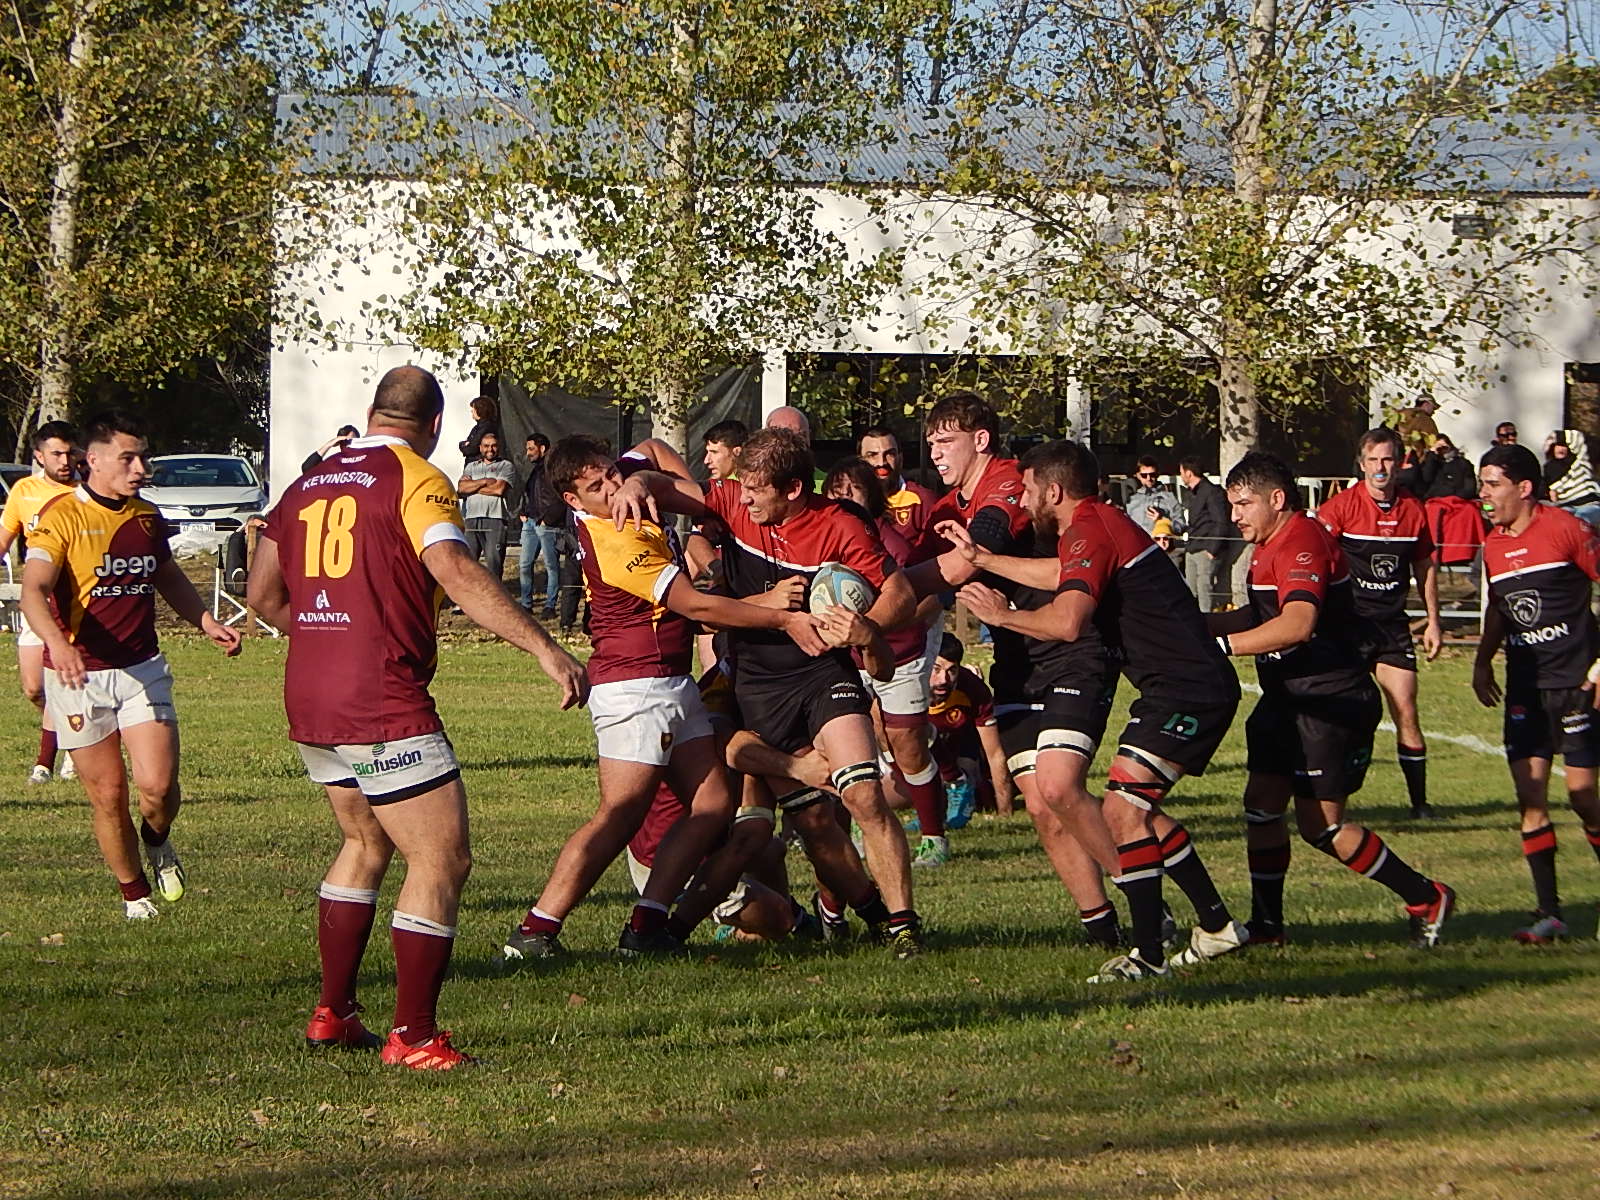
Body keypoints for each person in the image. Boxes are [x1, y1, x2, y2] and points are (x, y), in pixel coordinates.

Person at [247, 365, 587, 1070]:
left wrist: (323, 637)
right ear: (435, 426)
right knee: (441, 857)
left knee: (366, 844)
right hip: (380, 698)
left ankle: (333, 1013)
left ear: (372, 413)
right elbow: (454, 569)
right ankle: (414, 1036)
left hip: (311, 693)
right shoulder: (417, 477)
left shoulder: (309, 480)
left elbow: (261, 592)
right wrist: (544, 646)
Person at [503, 434, 828, 958]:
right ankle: (537, 930)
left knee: (715, 801)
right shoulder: (613, 540)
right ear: (572, 501)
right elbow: (696, 608)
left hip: (670, 681)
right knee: (620, 813)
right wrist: (780, 616)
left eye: (611, 475)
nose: (611, 489)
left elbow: (652, 447)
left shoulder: (622, 487)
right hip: (636, 687)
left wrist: (659, 485)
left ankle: (646, 924)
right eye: (596, 486)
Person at [610, 426, 927, 954]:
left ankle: (905, 926)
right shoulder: (734, 498)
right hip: (758, 683)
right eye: (744, 486)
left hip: (823, 673)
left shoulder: (840, 524)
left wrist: (866, 626)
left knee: (864, 794)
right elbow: (667, 486)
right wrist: (638, 482)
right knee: (815, 821)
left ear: (795, 490)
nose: (746, 497)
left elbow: (899, 591)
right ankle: (872, 917)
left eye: (758, 489)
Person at [947, 439, 1248, 980]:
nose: (1025, 497)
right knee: (1135, 810)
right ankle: (1216, 926)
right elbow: (1060, 575)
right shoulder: (1095, 524)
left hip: (1190, 689)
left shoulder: (1092, 527)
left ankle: (1149, 954)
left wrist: (1004, 614)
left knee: (1124, 811)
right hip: (1170, 688)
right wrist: (985, 559)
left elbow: (1066, 622)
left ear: (1054, 489)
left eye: (1031, 488)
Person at [906, 396, 1126, 952]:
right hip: (1016, 659)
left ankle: (1149, 901)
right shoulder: (946, 505)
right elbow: (928, 588)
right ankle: (1101, 927)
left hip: (1070, 646)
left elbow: (969, 557)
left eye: (945, 441)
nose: (933, 453)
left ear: (980, 441)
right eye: (929, 442)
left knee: (1060, 788)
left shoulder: (1007, 482)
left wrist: (884, 598)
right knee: (1040, 805)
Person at [1214, 451, 1454, 951]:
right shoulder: (1265, 545)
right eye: (1231, 504)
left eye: (1243, 504)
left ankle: (1426, 895)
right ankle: (1267, 926)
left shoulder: (1303, 540)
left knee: (1321, 826)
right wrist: (1190, 627)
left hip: (1330, 700)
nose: (1235, 515)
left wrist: (1220, 648)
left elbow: (1297, 625)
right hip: (1287, 697)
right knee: (1260, 806)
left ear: (1277, 500)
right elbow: (1255, 616)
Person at [20, 410, 243, 921]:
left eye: (142, 456)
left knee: (158, 789)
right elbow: (33, 591)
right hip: (78, 676)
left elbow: (167, 575)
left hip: (143, 668)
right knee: (109, 794)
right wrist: (60, 644)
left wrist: (205, 620)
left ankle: (158, 839)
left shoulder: (145, 516)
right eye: (128, 457)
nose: (140, 468)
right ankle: (134, 894)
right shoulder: (61, 517)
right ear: (92, 460)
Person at [1472, 443, 1600, 944]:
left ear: (1524, 489)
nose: (1483, 494)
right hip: (1527, 687)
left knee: (1584, 797)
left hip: (1574, 686)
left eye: (1492, 484)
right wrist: (1483, 660)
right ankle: (1550, 915)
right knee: (1531, 799)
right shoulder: (1494, 544)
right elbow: (1501, 607)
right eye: (1482, 484)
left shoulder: (1568, 529)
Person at [823, 457, 950, 865]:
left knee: (908, 748)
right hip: (847, 663)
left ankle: (934, 836)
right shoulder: (823, 540)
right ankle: (863, 828)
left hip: (900, 656)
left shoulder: (892, 545)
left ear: (872, 498)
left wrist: (880, 626)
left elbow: (928, 599)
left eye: (851, 491)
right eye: (834, 491)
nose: (841, 498)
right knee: (858, 747)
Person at [1316, 428, 1444, 820]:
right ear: (1361, 464)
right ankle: (1336, 800)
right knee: (1348, 713)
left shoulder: (1413, 509)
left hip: (1391, 628)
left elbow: (1425, 567)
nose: (1380, 468)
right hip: (1349, 626)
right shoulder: (1341, 507)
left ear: (1400, 462)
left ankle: (1419, 804)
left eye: (1387, 459)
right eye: (1372, 460)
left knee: (1406, 708)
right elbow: (1314, 553)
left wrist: (1434, 621)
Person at [1, 421, 80, 784]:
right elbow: (5, 538)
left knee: (62, 680)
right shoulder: (25, 491)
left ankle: (52, 760)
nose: (64, 461)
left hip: (74, 605)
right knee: (35, 688)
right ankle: (67, 732)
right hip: (37, 601)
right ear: (38, 456)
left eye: (69, 452)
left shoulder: (86, 492)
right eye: (56, 454)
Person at [927, 633, 1013, 820]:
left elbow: (995, 753)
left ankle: (978, 789)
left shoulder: (973, 689)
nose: (943, 679)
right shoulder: (906, 686)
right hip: (915, 758)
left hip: (960, 753)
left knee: (969, 777)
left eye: (952, 670)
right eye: (936, 669)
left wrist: (1005, 812)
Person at [859, 425, 937, 546]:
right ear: (859, 461)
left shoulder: (924, 501)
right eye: (872, 455)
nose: (881, 462)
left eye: (889, 454)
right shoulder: (850, 501)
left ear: (900, 458)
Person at [457, 431, 516, 585]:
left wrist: (473, 486)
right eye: (486, 446)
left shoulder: (506, 466)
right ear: (480, 448)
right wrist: (485, 481)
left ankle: (494, 599)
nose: (490, 449)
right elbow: (461, 489)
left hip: (495, 519)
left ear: (499, 447)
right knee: (468, 561)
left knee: (494, 562)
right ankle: (467, 598)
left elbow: (499, 490)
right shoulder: (471, 466)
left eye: (494, 446)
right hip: (471, 518)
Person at [1177, 458, 1232, 611]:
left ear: (1188, 473)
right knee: (1191, 591)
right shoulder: (1192, 494)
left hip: (1205, 549)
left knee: (1205, 591)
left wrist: (1212, 550)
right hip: (1193, 547)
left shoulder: (1212, 492)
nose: (1180, 476)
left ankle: (1208, 625)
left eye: (1181, 472)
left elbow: (1220, 521)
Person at [517, 432, 554, 609]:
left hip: (544, 523)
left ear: (542, 448)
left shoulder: (551, 468)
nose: (528, 453)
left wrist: (548, 518)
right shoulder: (533, 469)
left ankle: (550, 605)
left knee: (551, 566)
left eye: (531, 449)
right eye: (527, 449)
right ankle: (526, 604)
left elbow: (557, 496)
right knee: (524, 564)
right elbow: (529, 493)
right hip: (530, 522)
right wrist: (523, 512)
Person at [1542, 429, 1600, 529]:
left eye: (1564, 445)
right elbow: (1542, 488)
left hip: (1589, 504)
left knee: (1580, 520)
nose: (1562, 448)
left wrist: (1557, 436)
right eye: (1558, 445)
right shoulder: (1548, 468)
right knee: (1559, 522)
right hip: (1567, 506)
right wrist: (1548, 492)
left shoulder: (1580, 460)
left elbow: (1578, 438)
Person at [1125, 456, 1184, 537]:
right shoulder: (1131, 500)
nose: (1149, 478)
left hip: (1161, 545)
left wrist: (1162, 520)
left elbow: (1181, 526)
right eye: (1144, 475)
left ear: (1157, 474)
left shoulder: (1169, 498)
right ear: (1138, 475)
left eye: (1152, 474)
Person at [1419, 434, 1477, 501]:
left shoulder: (1463, 463)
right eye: (1439, 448)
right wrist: (1431, 456)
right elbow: (1426, 479)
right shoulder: (1432, 463)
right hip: (1434, 502)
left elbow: (1469, 488)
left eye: (1445, 447)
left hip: (1457, 502)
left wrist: (1454, 498)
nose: (1442, 451)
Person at [457, 395, 501, 465]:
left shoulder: (486, 427)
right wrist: (463, 444)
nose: (471, 411)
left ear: (480, 409)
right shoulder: (478, 427)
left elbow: (471, 449)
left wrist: (466, 445)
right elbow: (468, 445)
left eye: (474, 409)